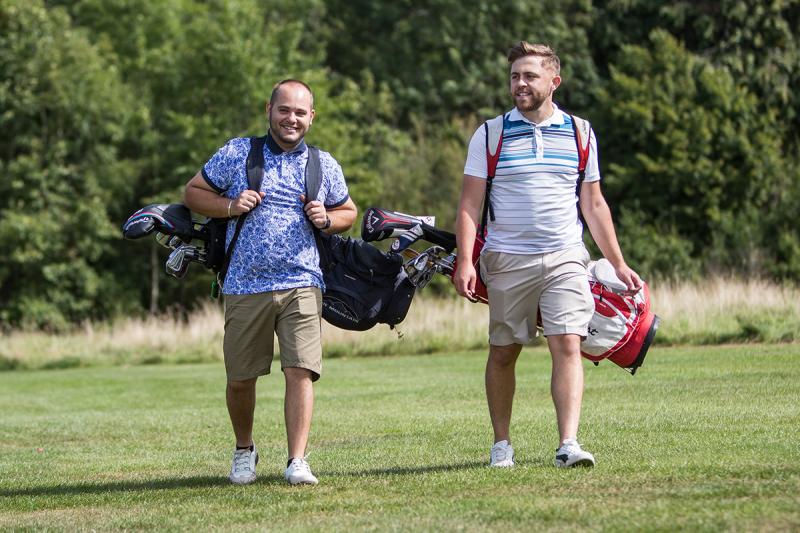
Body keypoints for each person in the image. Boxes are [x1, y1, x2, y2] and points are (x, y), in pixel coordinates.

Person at [453, 42, 642, 468]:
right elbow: (469, 204)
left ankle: (568, 444)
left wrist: (618, 261)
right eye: (515, 76)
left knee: (568, 344)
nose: (519, 84)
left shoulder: (581, 132)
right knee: (504, 350)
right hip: (506, 259)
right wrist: (465, 260)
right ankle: (501, 444)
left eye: (529, 76)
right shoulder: (490, 133)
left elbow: (594, 205)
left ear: (554, 81)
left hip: (565, 257)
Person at [184, 79, 357, 485]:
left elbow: (348, 210)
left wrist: (327, 219)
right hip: (244, 284)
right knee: (240, 378)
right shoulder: (238, 152)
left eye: (300, 112)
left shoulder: (323, 163)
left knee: (301, 370)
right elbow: (193, 193)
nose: (291, 118)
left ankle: (297, 460)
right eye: (285, 110)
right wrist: (229, 205)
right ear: (269, 110)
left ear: (312, 117)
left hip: (302, 281)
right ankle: (244, 449)